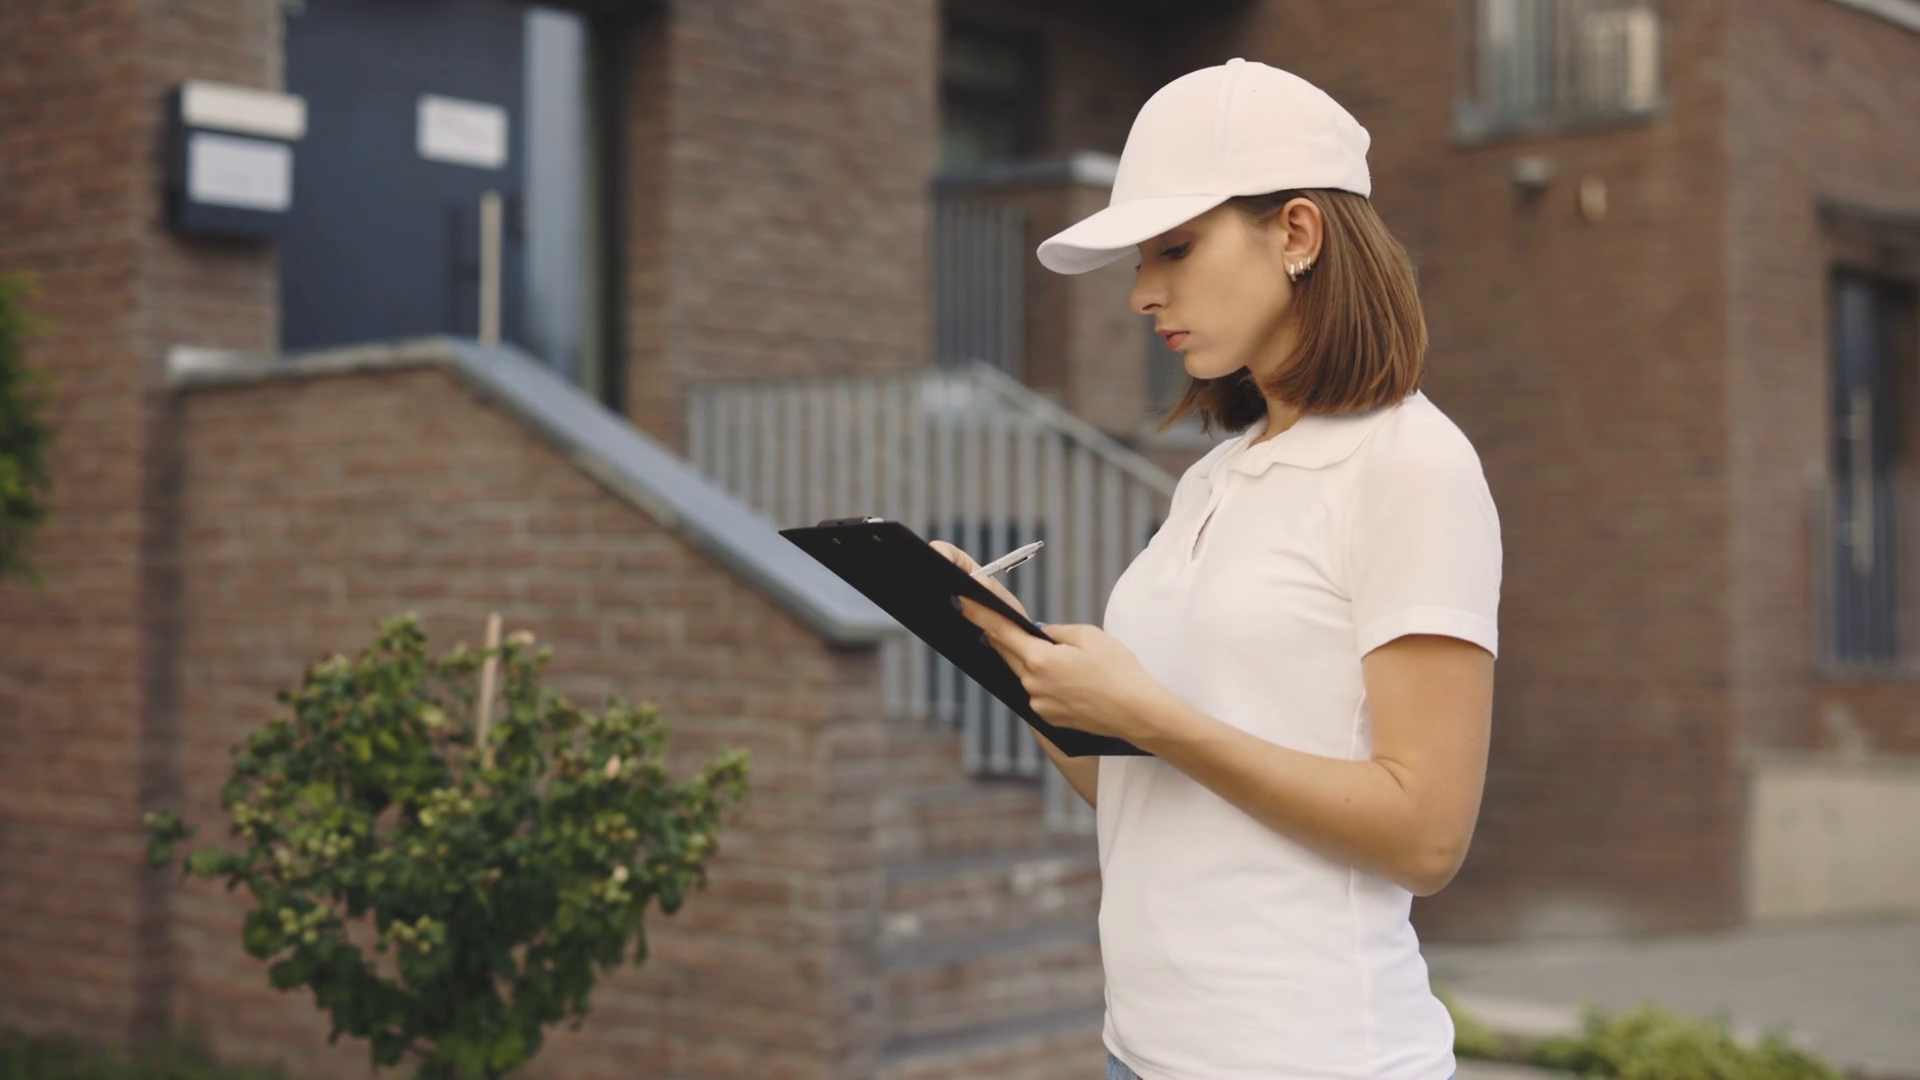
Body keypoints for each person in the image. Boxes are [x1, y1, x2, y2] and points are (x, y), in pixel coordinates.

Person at [934, 59, 1500, 1080]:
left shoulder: (1412, 464)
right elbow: (1147, 796)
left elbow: (1427, 836)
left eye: (1176, 249)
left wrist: (1153, 715)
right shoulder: (1212, 479)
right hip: (1143, 1054)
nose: (1144, 293)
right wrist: (1010, 657)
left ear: (1296, 233)